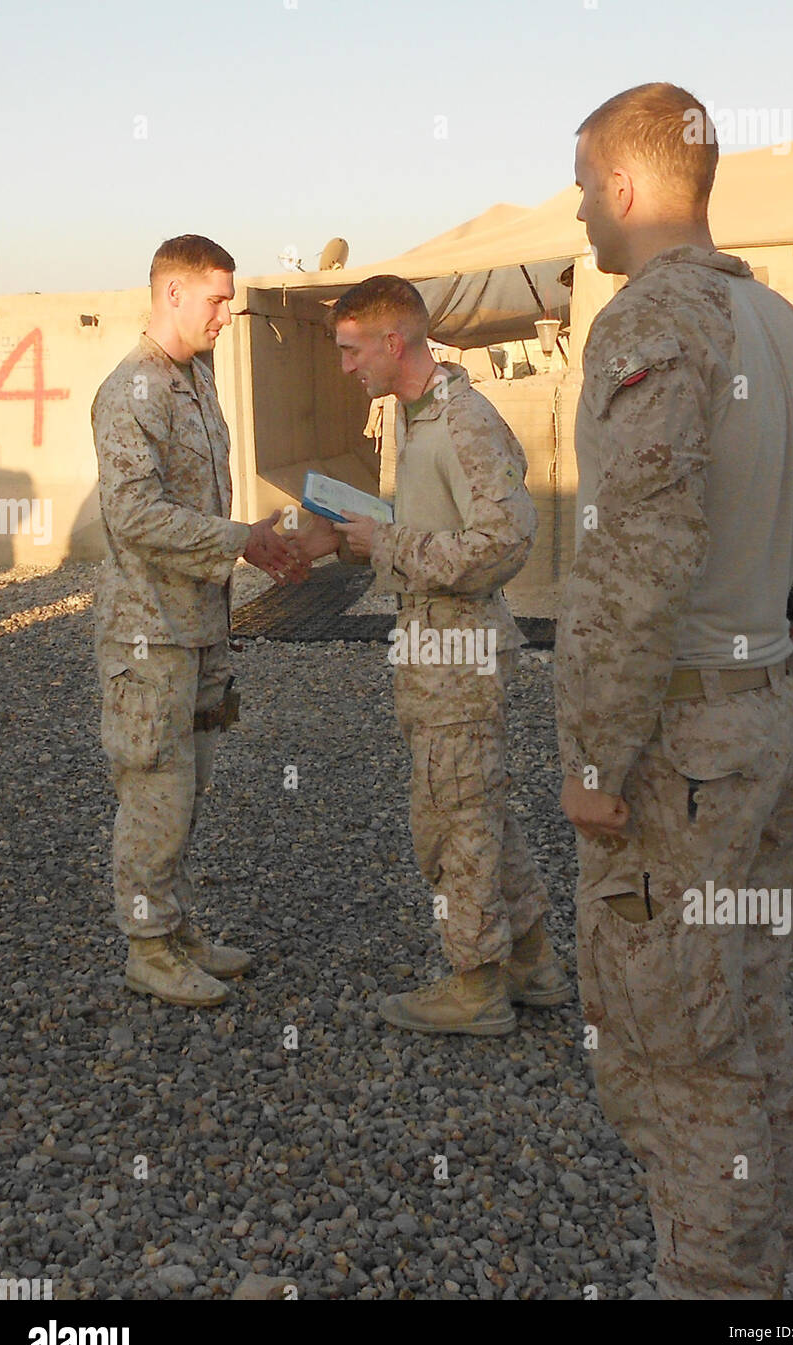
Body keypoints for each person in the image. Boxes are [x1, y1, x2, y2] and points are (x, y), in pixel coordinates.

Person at [554, 84, 793, 1298]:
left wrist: (591, 757)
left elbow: (634, 562)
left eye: (583, 186)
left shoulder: (651, 326)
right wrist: (779, 684)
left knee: (675, 1051)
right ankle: (765, 1268)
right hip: (761, 721)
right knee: (749, 1009)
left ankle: (717, 1290)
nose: (580, 210)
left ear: (624, 187)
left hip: (677, 750)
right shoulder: (784, 328)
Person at [290, 274, 571, 1035]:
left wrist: (392, 542)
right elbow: (417, 526)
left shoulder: (464, 422)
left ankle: (475, 987)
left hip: (459, 650)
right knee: (482, 814)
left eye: (352, 351)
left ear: (393, 343)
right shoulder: (411, 418)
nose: (345, 367)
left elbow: (505, 541)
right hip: (429, 645)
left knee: (453, 824)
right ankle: (533, 964)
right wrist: (348, 538)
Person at [93, 234, 305, 1006]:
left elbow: (198, 502)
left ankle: (177, 930)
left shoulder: (195, 381)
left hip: (199, 631)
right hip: (148, 636)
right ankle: (147, 947)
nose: (227, 312)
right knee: (154, 793)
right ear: (173, 293)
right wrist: (238, 541)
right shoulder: (132, 391)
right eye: (217, 298)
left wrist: (253, 544)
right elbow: (134, 513)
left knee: (190, 790)